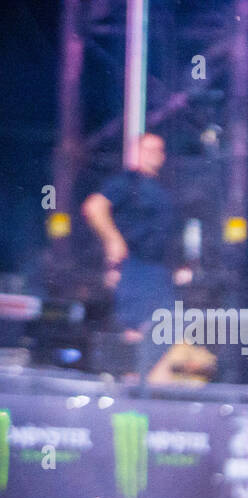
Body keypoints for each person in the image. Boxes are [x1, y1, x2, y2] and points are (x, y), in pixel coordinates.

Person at [81, 132, 176, 377]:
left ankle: (150, 386)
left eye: (159, 150)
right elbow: (94, 206)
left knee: (163, 330)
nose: (154, 155)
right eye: (148, 149)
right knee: (137, 328)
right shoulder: (127, 182)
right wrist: (113, 240)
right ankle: (132, 389)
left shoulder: (162, 187)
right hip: (136, 266)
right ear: (137, 152)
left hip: (158, 269)